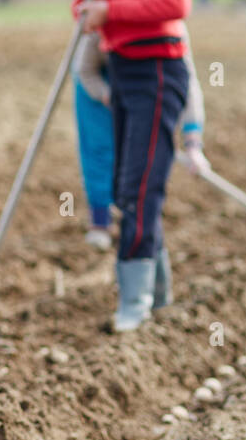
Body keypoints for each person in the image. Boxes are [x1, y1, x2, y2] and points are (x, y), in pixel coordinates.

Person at [73, 0, 195, 330]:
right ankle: (158, 292)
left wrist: (109, 10)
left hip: (158, 69)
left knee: (139, 186)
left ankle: (135, 304)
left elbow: (175, 2)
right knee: (131, 185)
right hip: (120, 69)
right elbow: (82, 15)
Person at [74, 27, 208, 275]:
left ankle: (137, 227)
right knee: (100, 151)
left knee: (141, 163)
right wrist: (109, 96)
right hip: (100, 86)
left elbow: (188, 88)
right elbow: (85, 70)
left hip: (147, 87)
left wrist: (193, 143)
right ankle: (101, 220)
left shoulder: (172, 33)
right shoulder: (102, 27)